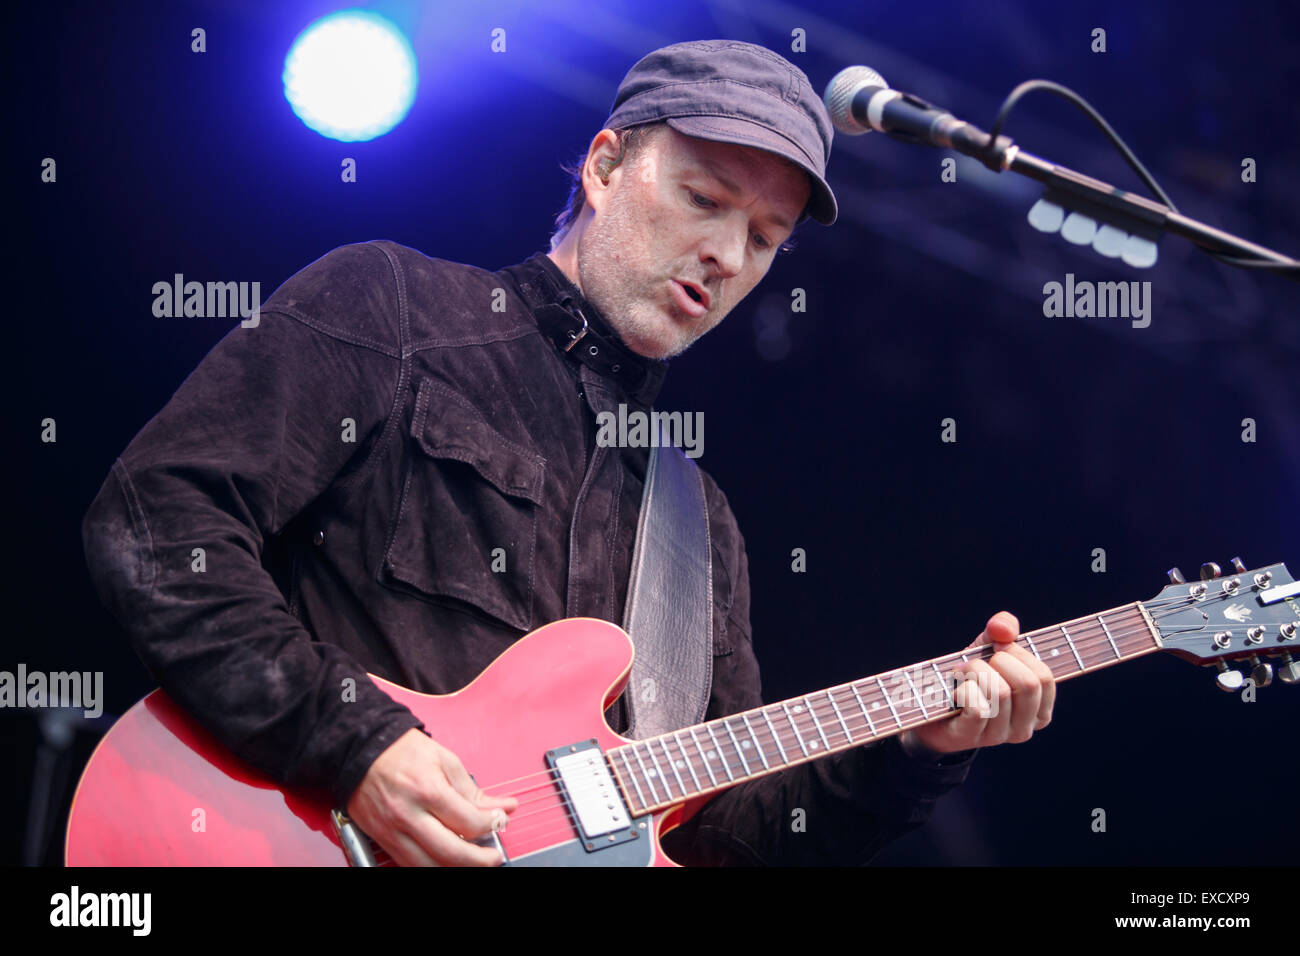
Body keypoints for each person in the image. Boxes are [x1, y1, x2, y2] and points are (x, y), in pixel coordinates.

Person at [81, 39, 1054, 866]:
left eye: (764, 237)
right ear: (601, 167)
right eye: (705, 197)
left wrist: (918, 748)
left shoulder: (696, 519)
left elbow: (717, 833)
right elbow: (159, 519)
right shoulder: (392, 308)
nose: (727, 253)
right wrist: (355, 746)